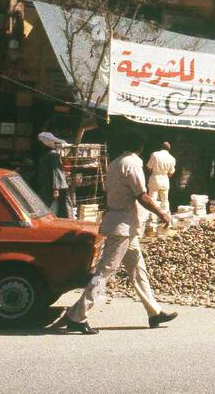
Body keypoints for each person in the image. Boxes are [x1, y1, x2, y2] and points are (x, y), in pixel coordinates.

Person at [57, 128, 177, 334]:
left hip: (122, 223)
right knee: (105, 271)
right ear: (139, 146)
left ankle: (154, 312)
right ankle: (77, 316)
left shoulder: (114, 163)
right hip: (123, 226)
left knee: (139, 271)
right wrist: (162, 213)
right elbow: (142, 196)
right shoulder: (132, 163)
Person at [34, 132, 74, 219]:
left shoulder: (53, 155)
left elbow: (56, 172)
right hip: (47, 186)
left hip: (52, 188)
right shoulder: (47, 154)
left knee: (55, 208)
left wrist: (56, 189)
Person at [146, 140, 175, 222]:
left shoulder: (155, 154)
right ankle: (166, 220)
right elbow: (171, 173)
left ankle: (151, 220)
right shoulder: (172, 158)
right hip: (165, 179)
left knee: (152, 199)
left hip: (155, 178)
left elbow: (149, 167)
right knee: (165, 200)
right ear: (169, 149)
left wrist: (156, 171)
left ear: (161, 147)